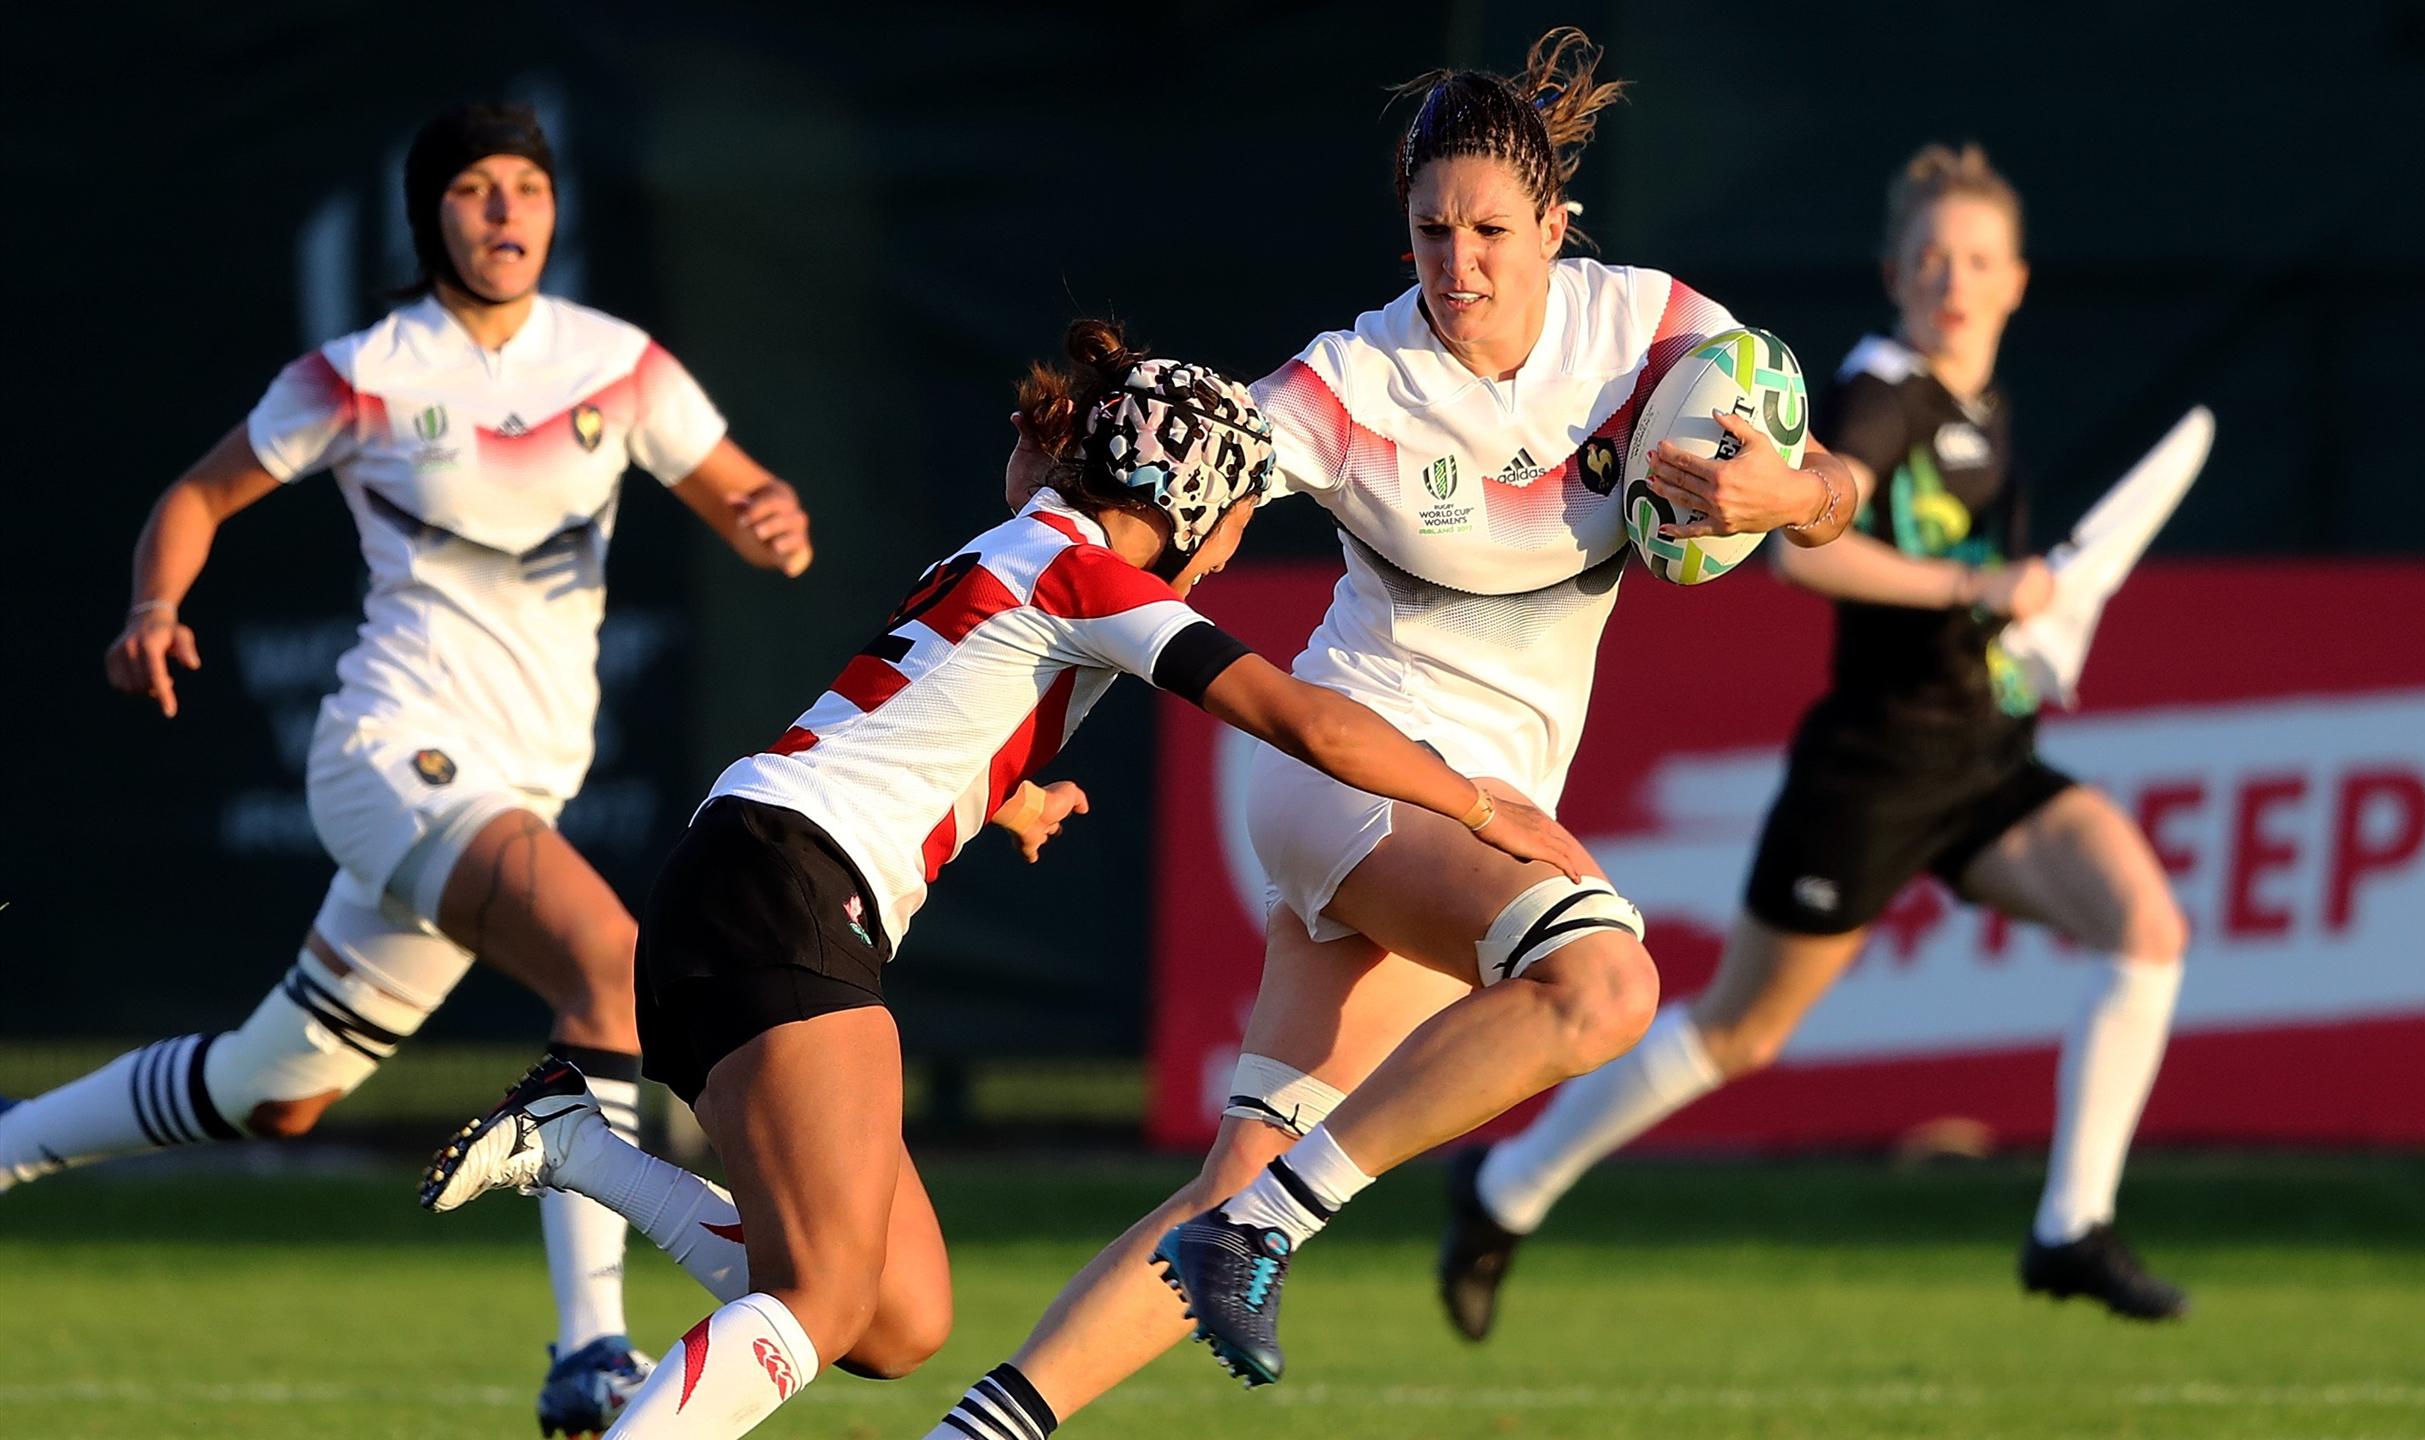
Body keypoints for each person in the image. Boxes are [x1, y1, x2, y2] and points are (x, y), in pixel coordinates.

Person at [899, 29, 1858, 1437]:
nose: (1456, 265)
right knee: (1604, 984)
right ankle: (1267, 1232)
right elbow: (1159, 493)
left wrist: (1793, 499)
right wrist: (1064, 479)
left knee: (1229, 1183)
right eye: (1429, 231)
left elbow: (1828, 481)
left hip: (1467, 814)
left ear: (1556, 226)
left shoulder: (1654, 330)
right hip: (1348, 775)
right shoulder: (1356, 382)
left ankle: (984, 1425)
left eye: (1489, 231)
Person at [413, 319, 1592, 1440]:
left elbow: (930, 702)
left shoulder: (1024, 542)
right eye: (1238, 521)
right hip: (787, 890)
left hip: (741, 878)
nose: (1232, 551)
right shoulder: (1089, 575)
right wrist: (1485, 808)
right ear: (1190, 504)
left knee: (897, 1319)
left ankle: (576, 1142)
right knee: (825, 1296)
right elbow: (1308, 723)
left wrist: (1005, 792)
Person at [0, 102, 815, 1433]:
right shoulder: (368, 371)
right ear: (430, 215)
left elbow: (744, 494)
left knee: (269, 1092)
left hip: (514, 787)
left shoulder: (614, 364)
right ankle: (592, 1354)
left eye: (526, 189)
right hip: (396, 753)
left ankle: (6, 1146)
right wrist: (154, 607)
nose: (505, 211)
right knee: (606, 962)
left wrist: (769, 522)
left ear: (554, 212)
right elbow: (198, 495)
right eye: (476, 188)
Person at [1438, 142, 2191, 1336]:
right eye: (1931, 257)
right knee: (1738, 1033)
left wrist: (2015, 637)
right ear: (1894, 273)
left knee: (2146, 928)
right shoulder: (1882, 393)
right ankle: (1503, 1188)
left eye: (1977, 260)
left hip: (1982, 757)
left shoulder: (1981, 406)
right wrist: (1976, 591)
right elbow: (1805, 552)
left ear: (2015, 283)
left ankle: (2070, 1229)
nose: (1953, 279)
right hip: (1874, 770)